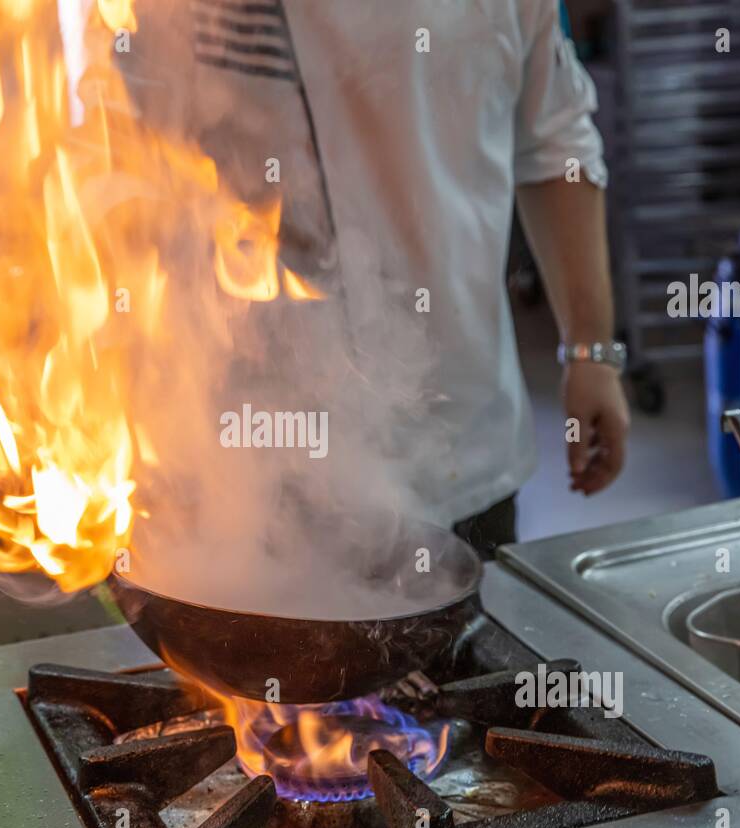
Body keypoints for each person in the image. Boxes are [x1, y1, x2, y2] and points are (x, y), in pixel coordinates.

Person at [128, 0, 629, 559]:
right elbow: (127, 146)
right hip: (243, 443)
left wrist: (590, 350)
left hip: (453, 434)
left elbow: (555, 143)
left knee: (459, 637)